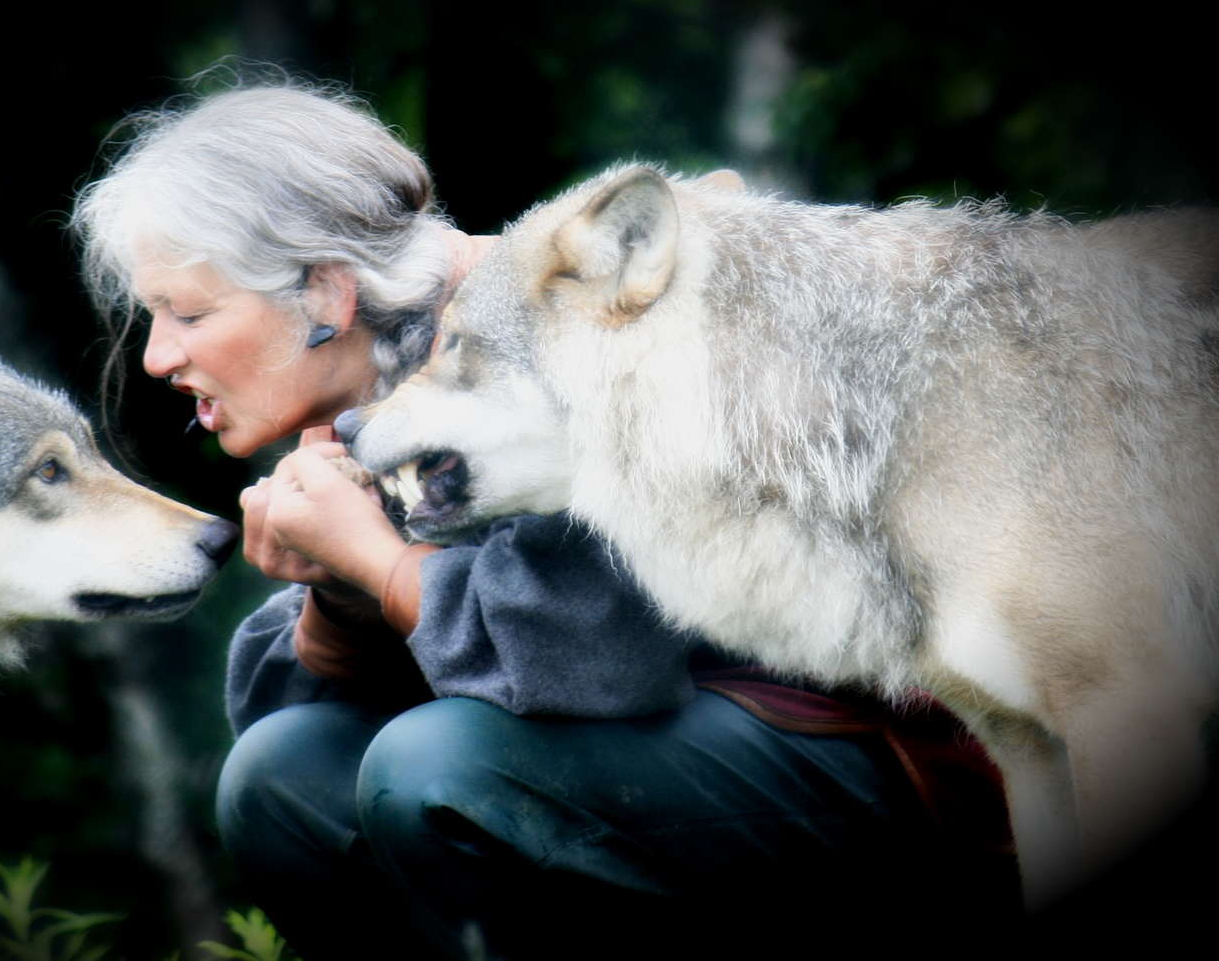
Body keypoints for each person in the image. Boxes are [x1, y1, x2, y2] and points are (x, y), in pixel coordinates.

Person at [73, 78, 1020, 959]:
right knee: (281, 776)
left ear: (325, 291)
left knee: (436, 769)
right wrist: (343, 594)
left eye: (186, 313)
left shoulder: (568, 327)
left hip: (891, 769)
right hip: (681, 769)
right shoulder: (362, 380)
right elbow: (287, 723)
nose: (157, 356)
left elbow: (598, 662)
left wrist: (380, 567)